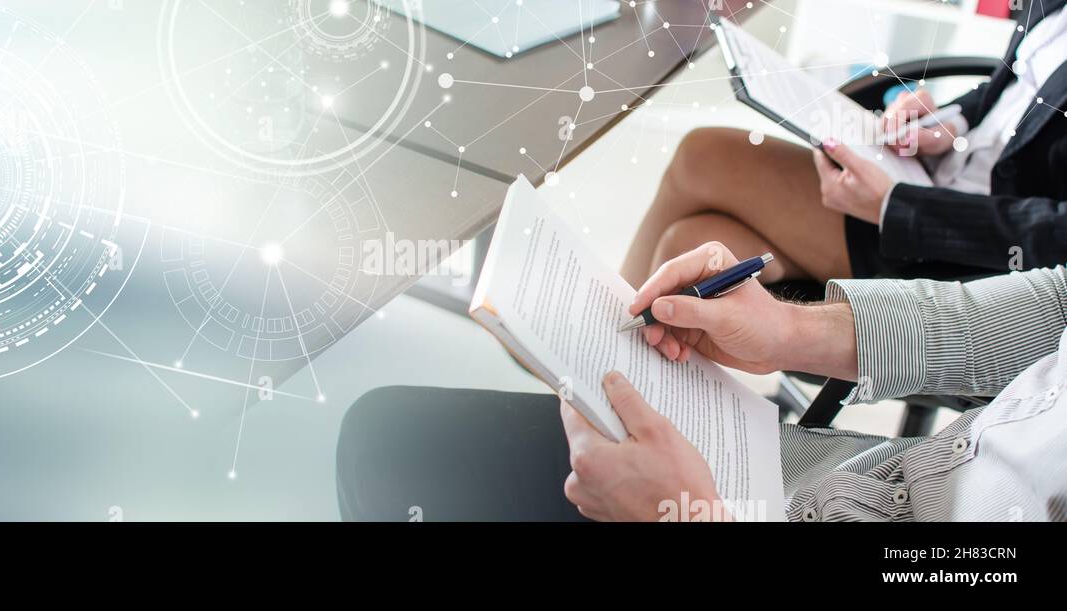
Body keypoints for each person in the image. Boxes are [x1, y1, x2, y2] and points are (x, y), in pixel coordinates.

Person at [337, 242, 1067, 521]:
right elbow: (1057, 308)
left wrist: (682, 517)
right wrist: (791, 331)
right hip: (841, 480)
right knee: (394, 438)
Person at [619, 0, 1067, 288]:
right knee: (691, 243)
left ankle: (592, 367)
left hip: (975, 259)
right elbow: (1014, 91)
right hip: (930, 181)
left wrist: (899, 209)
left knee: (705, 157)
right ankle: (617, 409)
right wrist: (948, 122)